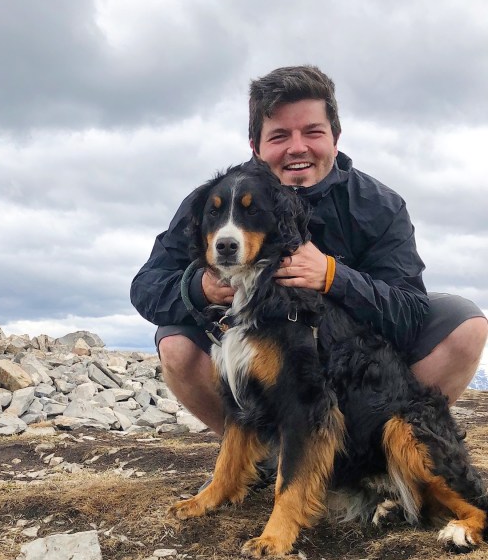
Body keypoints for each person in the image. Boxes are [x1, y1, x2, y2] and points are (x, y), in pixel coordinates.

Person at [130, 65, 488, 438]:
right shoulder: (216, 200)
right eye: (280, 135)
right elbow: (146, 287)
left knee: (466, 324)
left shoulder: (379, 206)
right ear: (255, 146)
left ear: (335, 137)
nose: (297, 148)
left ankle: (380, 453)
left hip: (354, 367)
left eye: (313, 132)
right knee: (175, 342)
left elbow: (411, 313)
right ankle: (261, 457)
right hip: (254, 352)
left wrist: (334, 276)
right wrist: (200, 288)